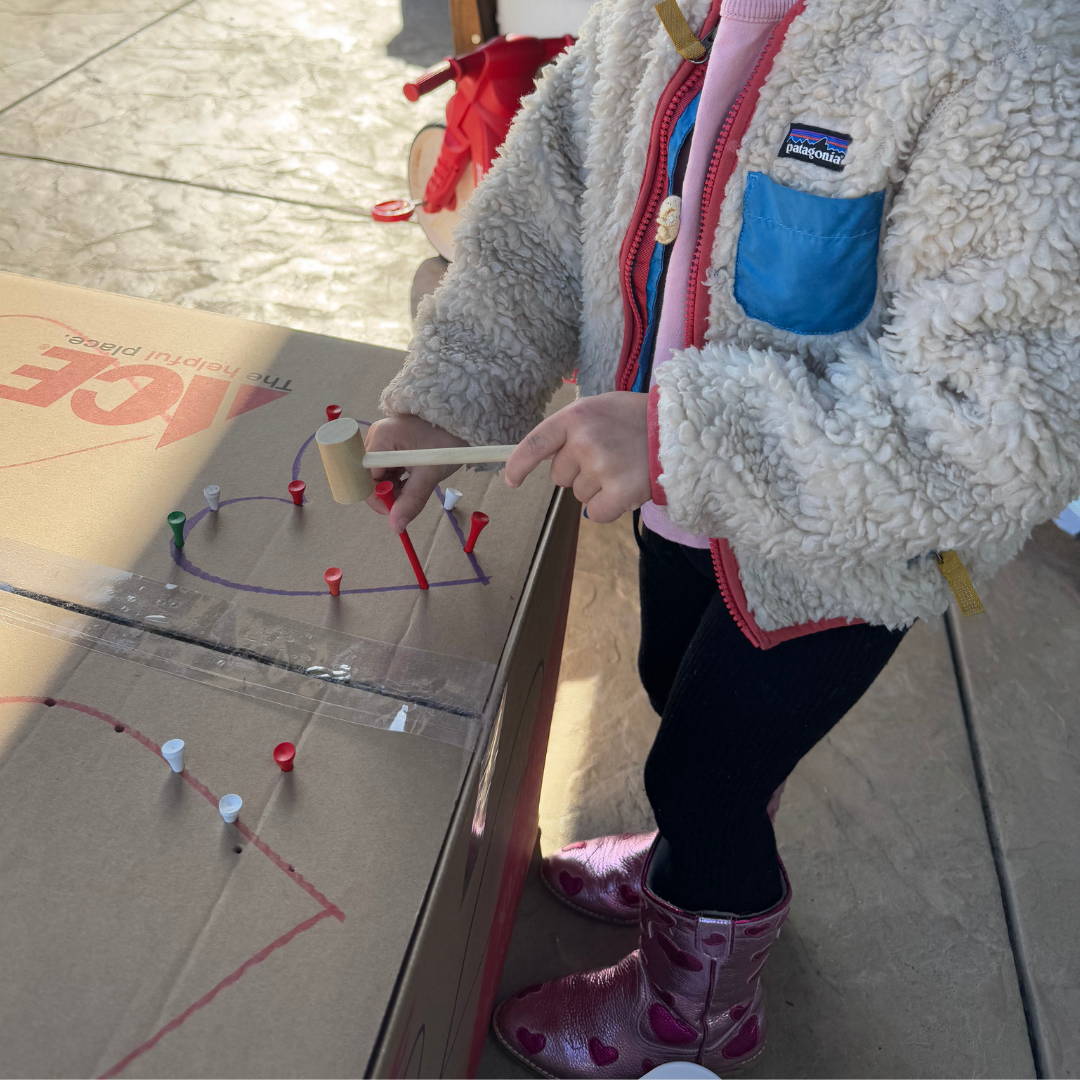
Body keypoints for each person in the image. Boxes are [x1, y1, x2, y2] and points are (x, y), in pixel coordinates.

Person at [365, 0, 1080, 1074]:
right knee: (674, 681)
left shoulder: (1000, 48)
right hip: (680, 505)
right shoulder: (658, 14)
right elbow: (545, 208)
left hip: (837, 550)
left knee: (709, 772)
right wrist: (455, 389)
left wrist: (685, 435)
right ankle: (686, 855)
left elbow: (1000, 424)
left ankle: (692, 1004)